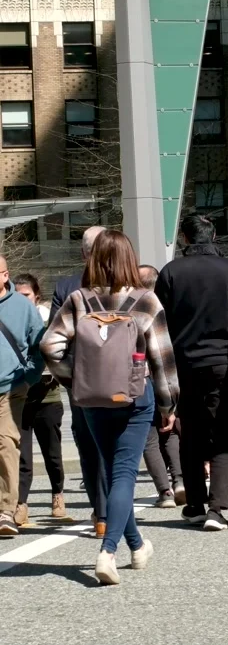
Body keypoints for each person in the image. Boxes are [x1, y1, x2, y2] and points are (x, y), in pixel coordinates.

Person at [41, 230, 179, 585]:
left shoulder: (78, 300)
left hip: (91, 400)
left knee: (112, 470)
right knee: (124, 476)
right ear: (129, 260)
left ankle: (137, 545)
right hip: (135, 398)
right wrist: (168, 404)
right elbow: (162, 360)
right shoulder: (146, 301)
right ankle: (108, 551)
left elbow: (49, 347)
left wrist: (74, 379)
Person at [156, 214, 228, 531]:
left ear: (185, 238)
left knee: (190, 435)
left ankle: (196, 504)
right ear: (213, 237)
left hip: (184, 363)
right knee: (223, 434)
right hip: (223, 362)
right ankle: (218, 508)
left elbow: (158, 324)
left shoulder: (171, 272)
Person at [49, 225, 107, 537]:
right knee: (118, 446)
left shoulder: (67, 287)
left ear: (83, 253)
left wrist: (69, 379)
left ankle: (101, 513)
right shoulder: (128, 286)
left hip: (82, 382)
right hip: (123, 380)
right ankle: (114, 512)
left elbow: (53, 344)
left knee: (89, 446)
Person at [13, 274, 66, 526]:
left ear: (37, 296)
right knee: (22, 454)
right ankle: (21, 504)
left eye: (26, 295)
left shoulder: (49, 319)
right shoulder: (11, 317)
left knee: (52, 453)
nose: (22, 300)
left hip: (48, 395)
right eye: (18, 295)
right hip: (20, 396)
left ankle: (58, 494)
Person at [0, 255, 44, 537]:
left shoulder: (21, 306)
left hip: (11, 386)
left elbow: (39, 345)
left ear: (5, 275)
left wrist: (29, 376)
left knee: (5, 443)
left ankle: (5, 510)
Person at [138, 264, 185, 508]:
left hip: (141, 379)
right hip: (167, 377)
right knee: (170, 430)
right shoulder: (167, 308)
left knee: (150, 439)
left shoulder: (135, 307)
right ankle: (179, 481)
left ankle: (165, 492)